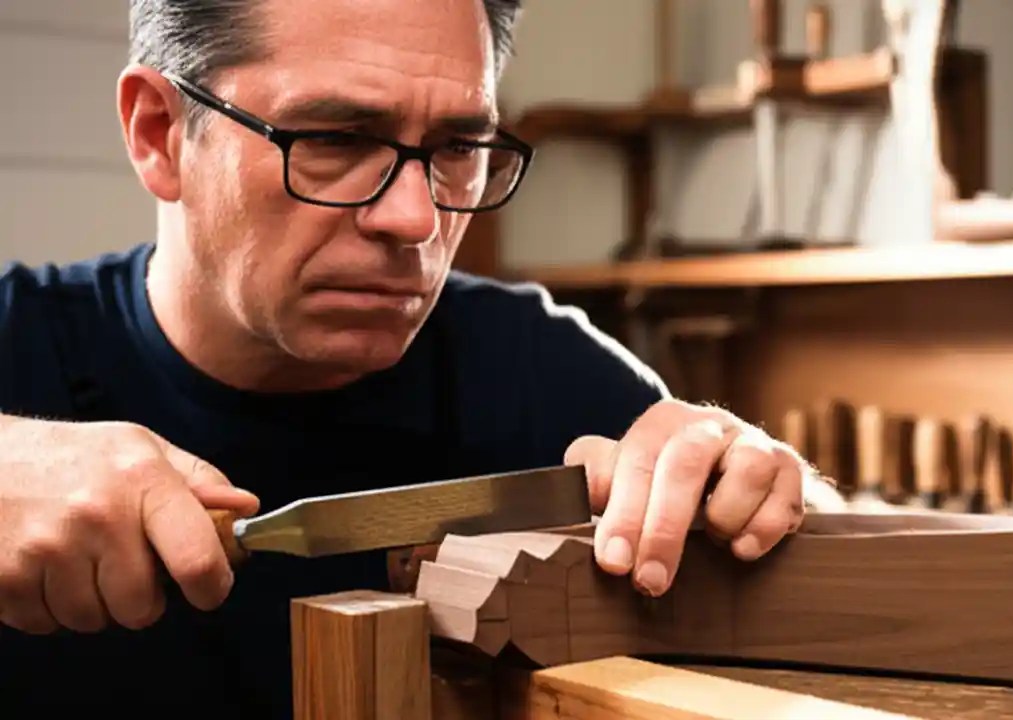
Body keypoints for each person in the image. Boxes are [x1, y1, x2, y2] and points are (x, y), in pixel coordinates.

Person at [0, 0, 838, 716]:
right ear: (159, 134)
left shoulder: (542, 368)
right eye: (334, 138)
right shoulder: (17, 344)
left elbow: (852, 596)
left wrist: (772, 495)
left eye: (457, 148)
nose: (413, 218)